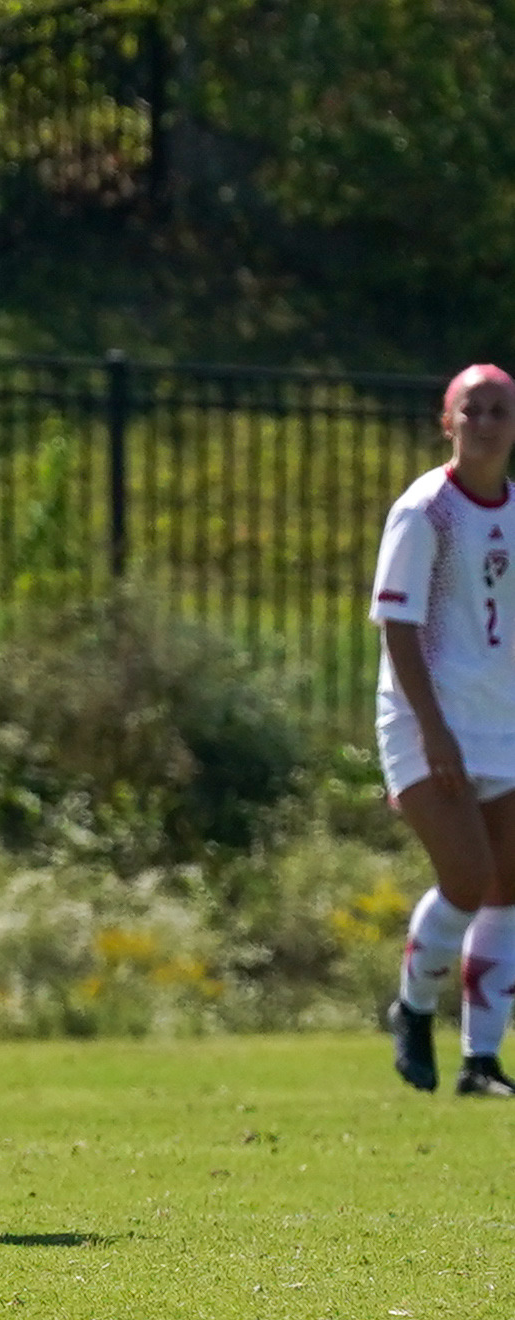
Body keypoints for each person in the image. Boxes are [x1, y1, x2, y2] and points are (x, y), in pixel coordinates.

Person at [377, 363, 515, 1099]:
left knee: (508, 889)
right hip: (428, 720)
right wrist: (434, 731)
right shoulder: (427, 510)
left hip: (503, 723)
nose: (487, 423)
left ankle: (481, 1060)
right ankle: (413, 1008)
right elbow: (397, 625)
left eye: (500, 410)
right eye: (474, 410)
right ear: (448, 421)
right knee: (465, 877)